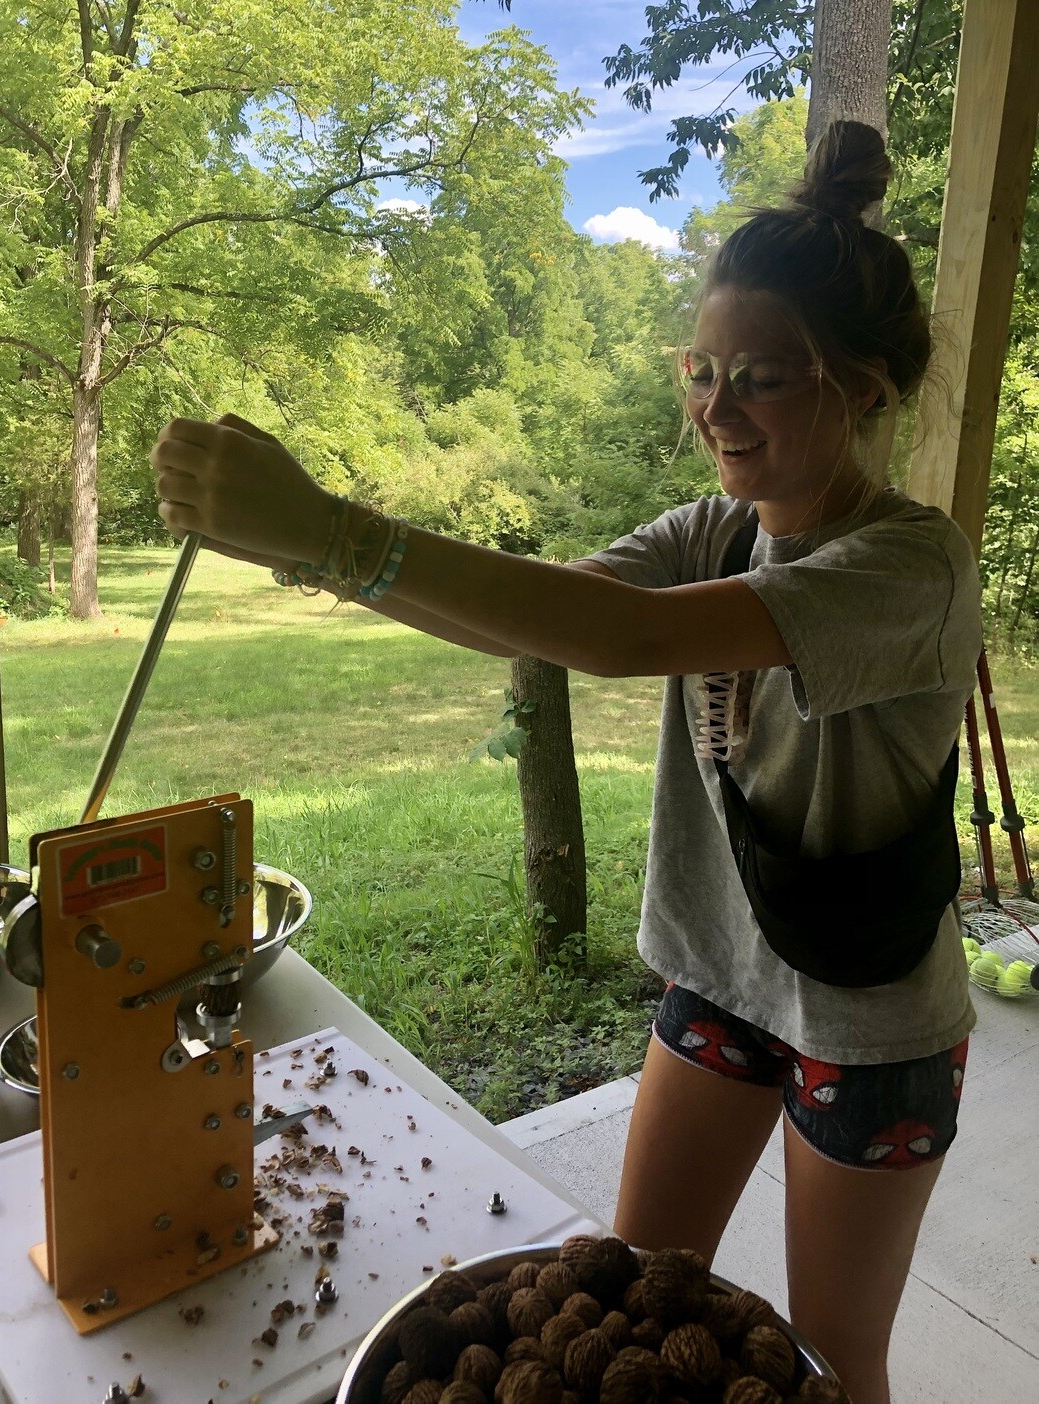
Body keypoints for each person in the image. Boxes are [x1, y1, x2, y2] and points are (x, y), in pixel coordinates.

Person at [150, 121, 982, 1403]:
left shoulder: (908, 567)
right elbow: (543, 610)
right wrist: (315, 552)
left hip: (871, 1024)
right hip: (721, 975)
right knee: (626, 1290)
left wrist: (329, 529)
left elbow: (620, 638)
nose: (715, 407)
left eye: (761, 375)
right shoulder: (715, 528)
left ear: (863, 386)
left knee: (827, 1358)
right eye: (699, 368)